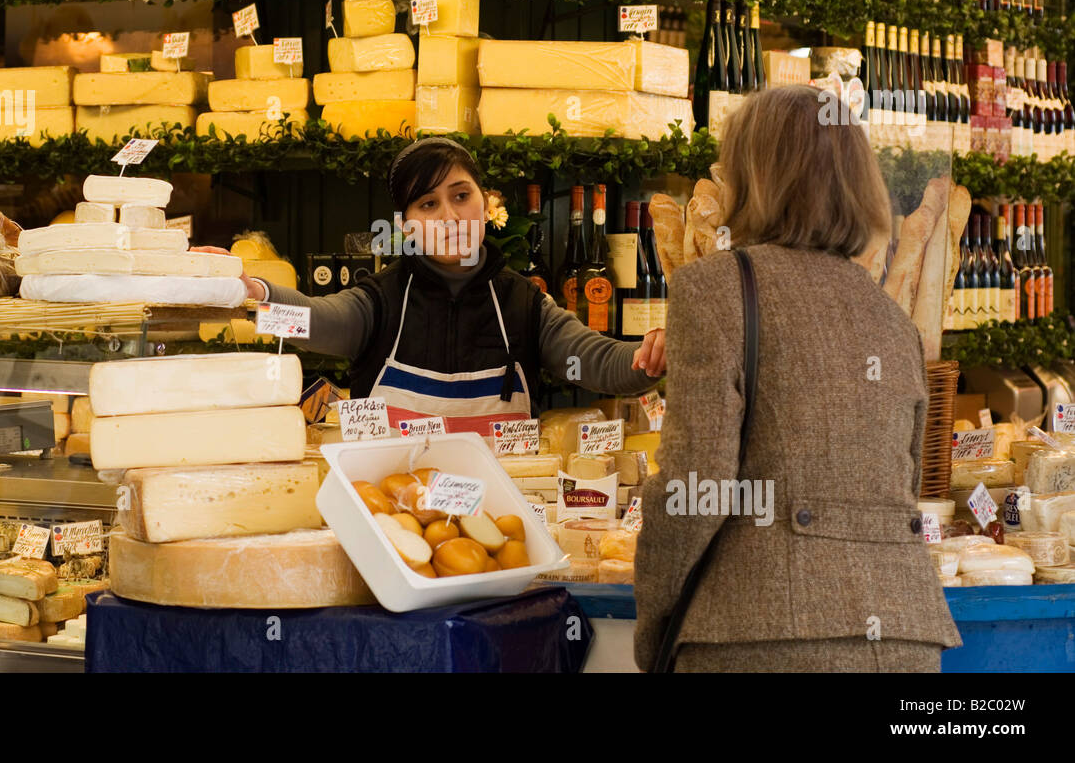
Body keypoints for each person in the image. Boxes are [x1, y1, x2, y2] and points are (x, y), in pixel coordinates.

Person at [633, 85, 961, 673]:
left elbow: (693, 488)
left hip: (760, 638)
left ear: (752, 176)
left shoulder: (713, 289)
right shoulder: (892, 319)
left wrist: (657, 625)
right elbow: (899, 487)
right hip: (905, 639)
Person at [238, 137, 665, 433]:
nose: (450, 216)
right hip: (393, 518)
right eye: (428, 204)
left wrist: (654, 354)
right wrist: (257, 294)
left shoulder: (525, 305)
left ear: (486, 202)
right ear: (406, 226)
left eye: (461, 196)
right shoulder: (380, 302)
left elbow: (597, 360)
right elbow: (316, 320)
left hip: (504, 526)